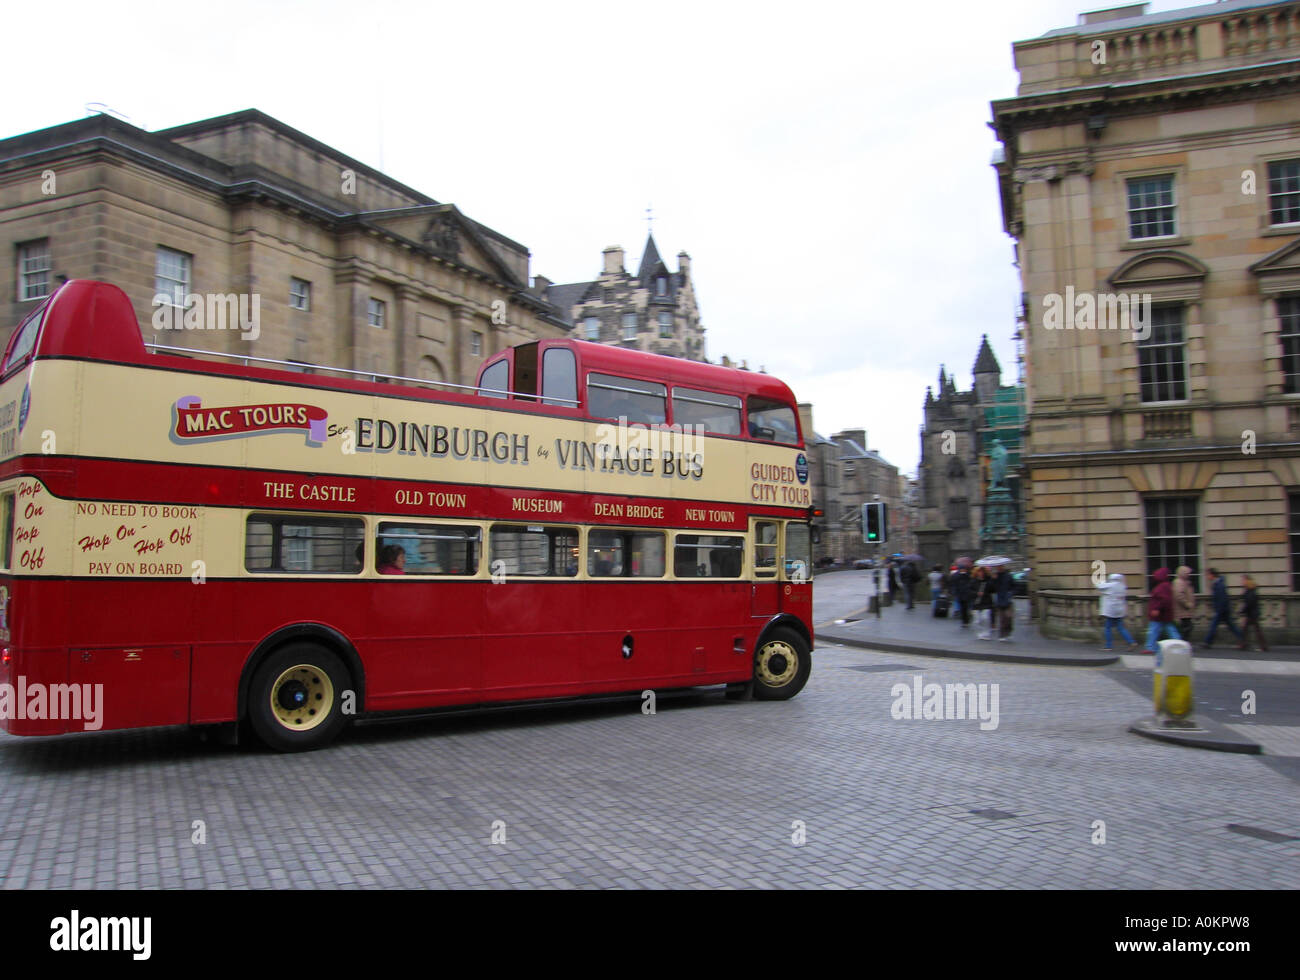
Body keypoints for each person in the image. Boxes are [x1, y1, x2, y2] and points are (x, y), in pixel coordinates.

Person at [1096, 572, 1137, 652]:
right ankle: (1131, 642)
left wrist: (1101, 581)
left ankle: (1108, 646)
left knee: (1107, 628)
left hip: (1111, 610)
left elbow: (1100, 587)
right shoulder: (1122, 586)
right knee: (1121, 628)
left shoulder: (1111, 585)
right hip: (1120, 610)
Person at [1202, 568, 1242, 649]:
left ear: (1212, 575)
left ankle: (1207, 642)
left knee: (1213, 626)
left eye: (1208, 575)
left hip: (1221, 610)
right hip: (1223, 610)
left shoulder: (1219, 584)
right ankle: (1242, 639)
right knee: (1231, 626)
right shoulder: (1218, 583)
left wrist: (1218, 610)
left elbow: (1221, 599)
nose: (1207, 577)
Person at [1143, 567, 1180, 653]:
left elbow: (1163, 600)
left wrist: (1157, 609)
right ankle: (1179, 643)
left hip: (1159, 615)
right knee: (1170, 629)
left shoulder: (1162, 587)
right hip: (1164, 614)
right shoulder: (1166, 585)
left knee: (1153, 631)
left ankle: (1150, 647)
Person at [1237, 575, 1268, 652]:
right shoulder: (1250, 590)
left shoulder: (1250, 590)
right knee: (1247, 630)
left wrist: (1242, 611)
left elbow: (1249, 603)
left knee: (1255, 630)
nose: (1242, 582)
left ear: (1247, 581)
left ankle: (1262, 646)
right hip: (1251, 613)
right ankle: (1243, 644)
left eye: (1243, 580)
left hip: (1252, 614)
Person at [1172, 565, 1196, 643]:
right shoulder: (1179, 582)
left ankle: (1183, 643)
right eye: (1187, 573)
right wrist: (1187, 604)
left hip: (1185, 611)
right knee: (1186, 628)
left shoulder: (1185, 582)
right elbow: (1179, 595)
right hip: (1182, 610)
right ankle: (1183, 643)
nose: (1189, 575)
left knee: (1187, 627)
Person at [973, 567, 995, 640]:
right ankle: (980, 632)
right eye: (979, 572)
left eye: (982, 572)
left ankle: (986, 633)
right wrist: (976, 593)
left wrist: (991, 580)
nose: (981, 573)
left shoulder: (988, 580)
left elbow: (993, 589)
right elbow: (969, 591)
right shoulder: (974, 581)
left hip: (986, 602)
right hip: (976, 602)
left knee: (985, 617)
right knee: (977, 620)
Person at [993, 565, 1014, 640]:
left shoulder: (1008, 576)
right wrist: (994, 579)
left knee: (1008, 617)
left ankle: (1008, 631)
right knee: (1002, 618)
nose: (999, 568)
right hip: (999, 599)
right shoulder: (995, 577)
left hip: (1008, 599)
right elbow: (993, 588)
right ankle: (1002, 634)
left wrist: (1011, 593)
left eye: (1000, 567)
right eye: (998, 567)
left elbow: (1013, 585)